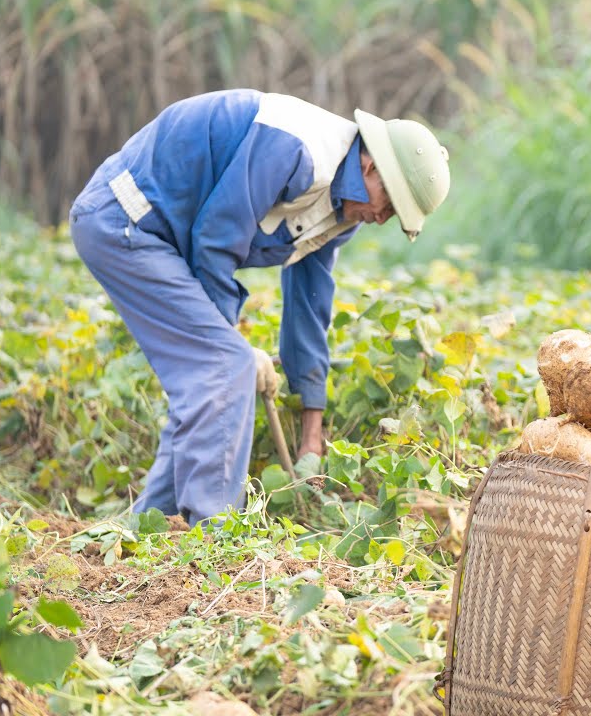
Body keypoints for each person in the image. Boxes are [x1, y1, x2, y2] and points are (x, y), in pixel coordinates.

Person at [68, 89, 451, 525]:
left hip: (162, 240)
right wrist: (230, 345)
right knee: (222, 367)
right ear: (370, 169)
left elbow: (310, 303)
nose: (383, 220)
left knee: (209, 377)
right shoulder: (296, 147)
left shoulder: (344, 212)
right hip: (124, 218)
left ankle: (149, 525)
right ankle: (214, 534)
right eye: (392, 207)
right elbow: (215, 240)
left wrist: (312, 430)